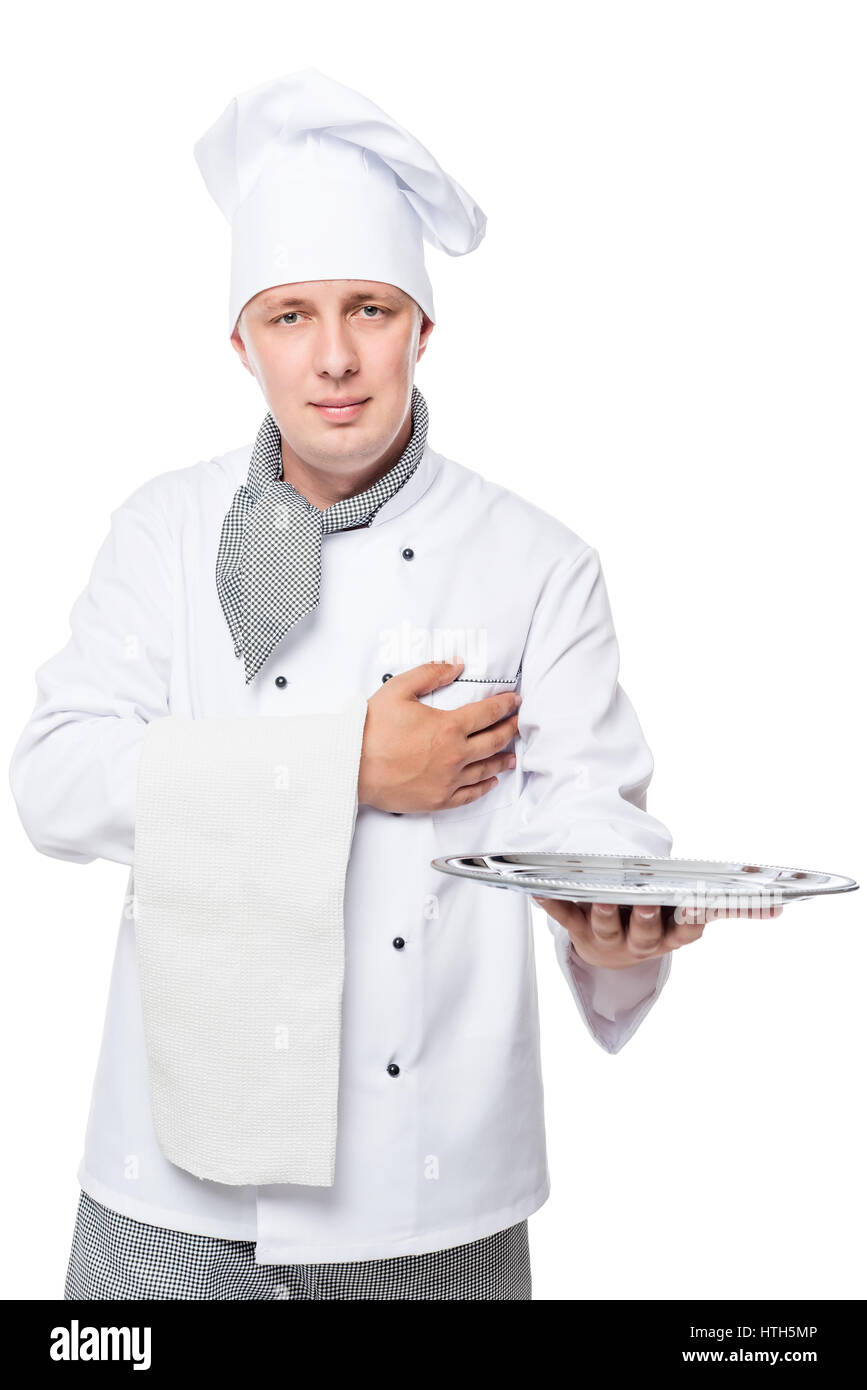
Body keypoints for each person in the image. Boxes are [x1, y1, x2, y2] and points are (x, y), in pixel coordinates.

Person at [8, 68, 779, 1302]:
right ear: (239, 342)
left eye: (369, 308)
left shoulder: (537, 561)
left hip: (430, 1199)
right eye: (289, 316)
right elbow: (52, 784)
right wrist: (343, 768)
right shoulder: (162, 534)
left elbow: (586, 820)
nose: (333, 359)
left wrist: (616, 927)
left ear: (424, 326)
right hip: (169, 1187)